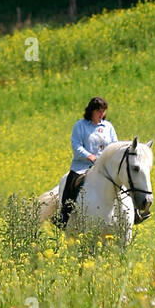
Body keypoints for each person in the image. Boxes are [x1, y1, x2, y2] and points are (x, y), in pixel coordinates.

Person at [55, 97, 118, 228]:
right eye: (99, 111)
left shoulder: (108, 127)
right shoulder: (80, 125)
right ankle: (64, 216)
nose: (102, 114)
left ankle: (135, 212)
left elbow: (114, 145)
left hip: (105, 167)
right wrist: (90, 156)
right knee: (71, 182)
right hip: (83, 166)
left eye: (103, 111)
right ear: (91, 111)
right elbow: (76, 146)